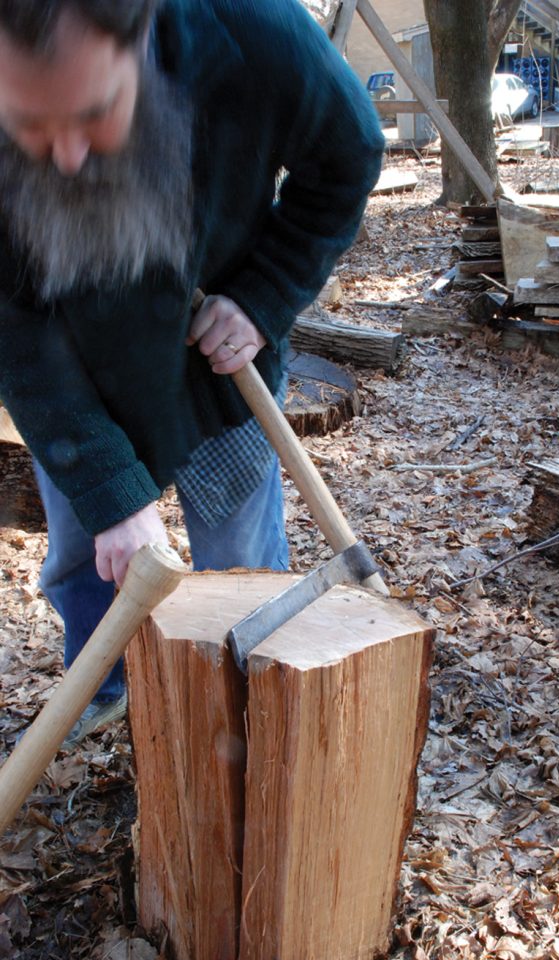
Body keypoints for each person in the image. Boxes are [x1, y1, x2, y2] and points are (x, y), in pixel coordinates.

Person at [0, 0, 384, 744]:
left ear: (142, 29)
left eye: (93, 111)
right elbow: (10, 325)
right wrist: (108, 488)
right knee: (85, 559)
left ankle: (249, 717)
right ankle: (105, 691)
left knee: (240, 563)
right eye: (30, 126)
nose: (68, 155)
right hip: (77, 387)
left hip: (218, 378)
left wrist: (264, 295)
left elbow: (348, 157)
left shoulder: (253, 31)